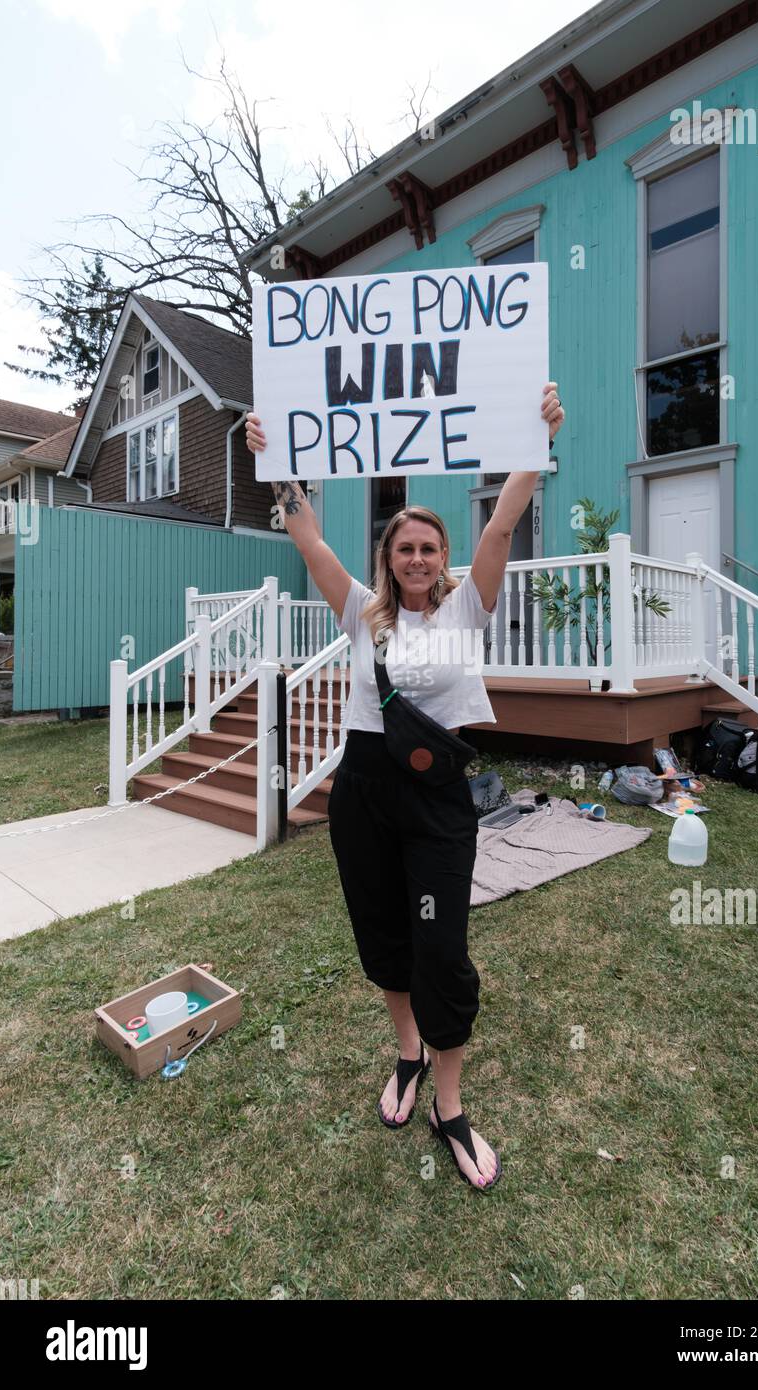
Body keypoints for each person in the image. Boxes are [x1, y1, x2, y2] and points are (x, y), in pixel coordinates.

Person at [246, 383, 564, 1191]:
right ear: (387, 559)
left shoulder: (470, 610)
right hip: (364, 792)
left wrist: (533, 441)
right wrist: (277, 467)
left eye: (428, 548)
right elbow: (309, 539)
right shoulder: (360, 613)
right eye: (402, 549)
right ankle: (407, 1052)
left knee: (442, 951)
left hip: (438, 801)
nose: (415, 559)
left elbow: (502, 522)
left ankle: (448, 1103)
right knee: (385, 935)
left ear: (443, 557)